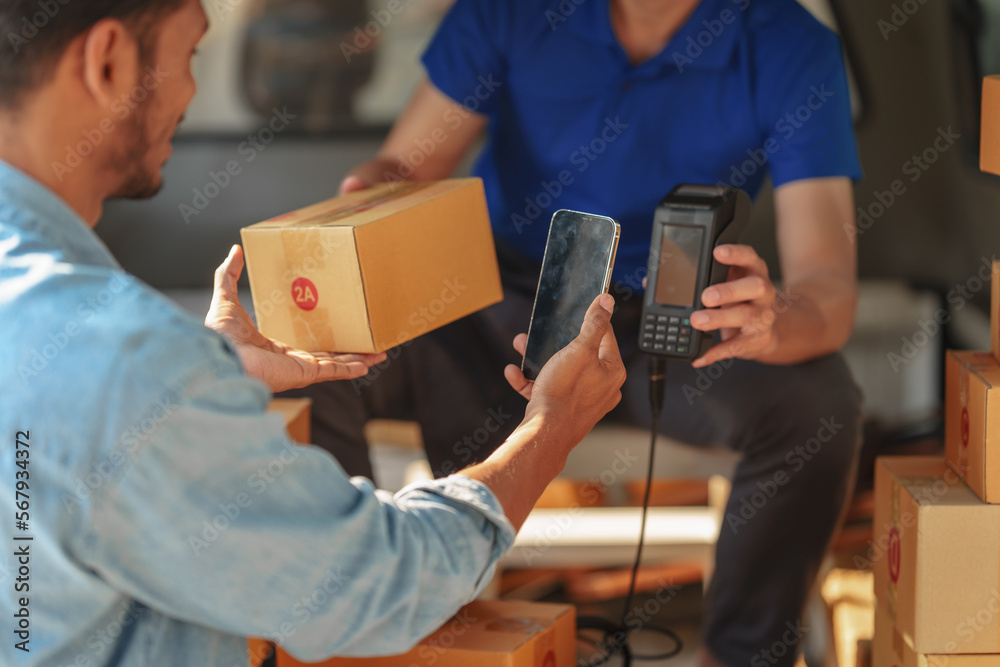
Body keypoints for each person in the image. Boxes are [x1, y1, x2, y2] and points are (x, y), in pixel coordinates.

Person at [0, 1, 626, 666]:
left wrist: (203, 375)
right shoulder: (120, 357)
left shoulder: (80, 334)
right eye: (190, 55)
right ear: (107, 63)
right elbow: (379, 586)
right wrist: (552, 424)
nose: (188, 91)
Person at [289, 0, 865, 664]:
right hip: (488, 305)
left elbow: (829, 289)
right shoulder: (507, 13)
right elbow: (406, 166)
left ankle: (740, 654)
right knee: (309, 351)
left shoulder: (791, 46)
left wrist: (771, 319)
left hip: (672, 319)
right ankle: (344, 629)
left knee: (819, 404)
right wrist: (371, 193)